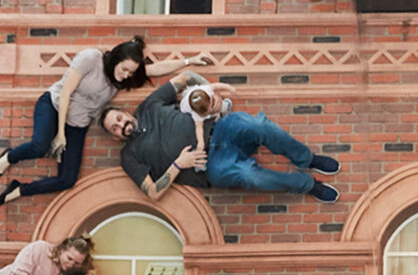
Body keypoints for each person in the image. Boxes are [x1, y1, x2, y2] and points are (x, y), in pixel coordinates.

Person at [0, 37, 209, 207]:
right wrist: (60, 134)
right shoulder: (91, 58)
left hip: (77, 123)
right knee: (40, 145)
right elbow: (66, 92)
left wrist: (190, 61)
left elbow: (155, 70)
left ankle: (18, 190)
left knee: (67, 180)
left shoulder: (119, 81)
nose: (126, 75)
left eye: (130, 72)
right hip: (54, 105)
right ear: (117, 57)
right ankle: (9, 157)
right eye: (124, 69)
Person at [98, 70, 341, 203]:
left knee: (257, 125)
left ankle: (306, 159)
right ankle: (308, 185)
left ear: (125, 113)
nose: (120, 125)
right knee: (249, 176)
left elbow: (187, 77)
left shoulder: (149, 106)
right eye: (114, 129)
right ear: (115, 137)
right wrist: (178, 165)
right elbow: (152, 192)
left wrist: (212, 101)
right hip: (212, 167)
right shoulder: (129, 156)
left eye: (118, 118)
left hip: (221, 128)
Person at [179, 85, 234, 171]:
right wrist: (200, 143)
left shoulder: (206, 90)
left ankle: (225, 111)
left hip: (201, 96)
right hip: (189, 111)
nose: (210, 112)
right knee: (200, 144)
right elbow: (199, 127)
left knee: (223, 106)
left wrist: (229, 88)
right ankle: (200, 162)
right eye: (207, 113)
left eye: (210, 108)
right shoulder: (195, 113)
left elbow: (216, 86)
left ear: (211, 99)